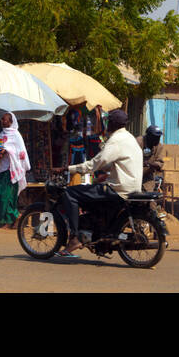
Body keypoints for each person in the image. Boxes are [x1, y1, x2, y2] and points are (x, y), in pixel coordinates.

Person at [56, 109, 142, 256]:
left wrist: (67, 168)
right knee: (92, 191)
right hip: (131, 186)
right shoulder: (129, 138)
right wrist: (104, 174)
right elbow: (114, 163)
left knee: (70, 193)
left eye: (108, 122)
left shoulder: (116, 141)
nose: (105, 124)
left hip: (118, 188)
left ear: (113, 124)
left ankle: (75, 237)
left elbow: (94, 164)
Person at [141, 125, 170, 192]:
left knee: (149, 198)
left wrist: (150, 163)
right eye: (155, 137)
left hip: (148, 178)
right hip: (134, 176)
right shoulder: (139, 142)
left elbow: (159, 163)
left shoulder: (159, 146)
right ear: (148, 136)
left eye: (159, 137)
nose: (157, 140)